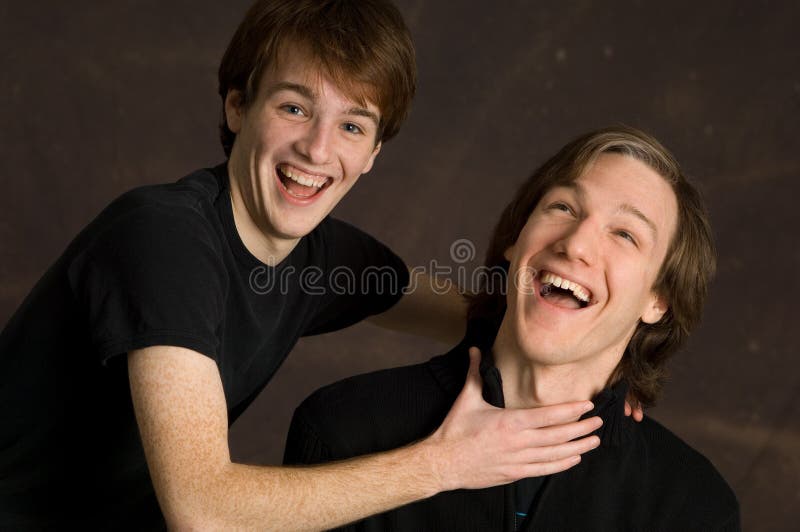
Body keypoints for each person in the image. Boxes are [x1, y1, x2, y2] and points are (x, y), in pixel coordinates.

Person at [0, 1, 610, 529]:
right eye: (294, 108)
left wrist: (611, 359)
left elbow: (482, 319)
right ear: (238, 106)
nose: (318, 149)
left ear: (372, 153)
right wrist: (447, 463)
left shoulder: (322, 259)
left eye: (351, 125)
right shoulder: (165, 239)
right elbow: (202, 509)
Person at [285, 125, 741, 531]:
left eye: (625, 234)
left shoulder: (694, 508)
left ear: (659, 300)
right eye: (563, 207)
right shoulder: (343, 429)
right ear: (515, 240)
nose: (576, 244)